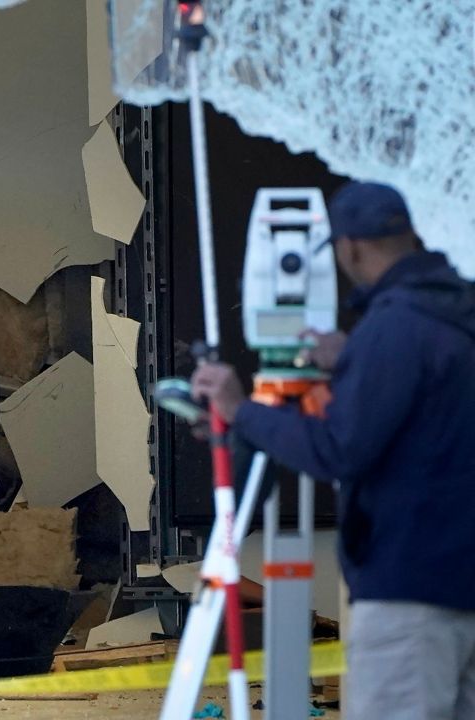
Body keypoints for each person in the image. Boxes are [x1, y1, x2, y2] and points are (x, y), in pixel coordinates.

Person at [191, 181, 475, 719]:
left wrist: (239, 409)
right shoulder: (453, 317)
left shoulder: (393, 328)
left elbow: (337, 449)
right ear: (411, 234)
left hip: (408, 593)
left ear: (347, 248)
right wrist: (355, 361)